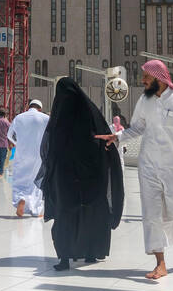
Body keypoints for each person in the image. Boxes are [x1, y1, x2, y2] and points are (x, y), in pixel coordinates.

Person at [97, 59, 173, 280]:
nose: (143, 80)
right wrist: (117, 138)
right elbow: (137, 128)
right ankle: (160, 262)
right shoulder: (144, 102)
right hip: (148, 166)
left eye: (147, 76)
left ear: (159, 77)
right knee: (152, 214)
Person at [40, 78, 124, 270]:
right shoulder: (92, 113)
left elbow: (50, 149)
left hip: (66, 176)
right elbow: (104, 144)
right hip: (92, 176)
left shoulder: (61, 116)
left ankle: (65, 257)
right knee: (91, 212)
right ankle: (90, 252)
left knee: (65, 213)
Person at [6, 99, 49, 217]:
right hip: (39, 154)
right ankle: (36, 209)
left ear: (28, 106)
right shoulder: (45, 118)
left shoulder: (19, 118)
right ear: (39, 108)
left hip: (22, 152)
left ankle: (21, 198)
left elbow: (9, 135)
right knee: (37, 180)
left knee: (20, 178)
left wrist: (18, 143)